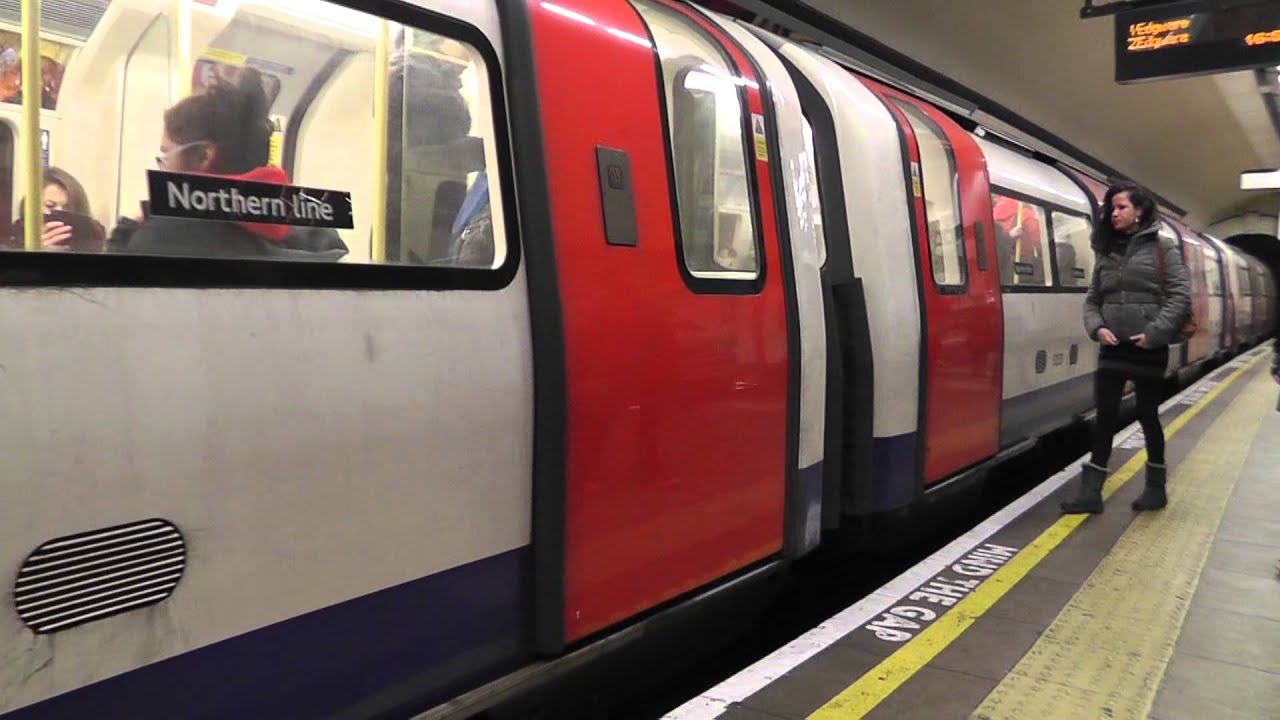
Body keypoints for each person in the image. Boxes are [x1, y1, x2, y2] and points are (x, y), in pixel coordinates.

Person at [109, 67, 346, 261]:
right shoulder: (317, 234)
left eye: (166, 156)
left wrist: (126, 232)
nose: (163, 168)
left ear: (203, 156)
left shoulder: (163, 237)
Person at [1062, 181, 1190, 515]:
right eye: (1111, 208)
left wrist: (1154, 333)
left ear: (1140, 211)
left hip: (1148, 347)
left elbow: (1179, 296)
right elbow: (1093, 299)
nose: (1113, 214)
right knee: (1104, 417)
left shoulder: (1163, 249)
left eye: (1121, 207)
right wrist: (1097, 327)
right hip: (1113, 347)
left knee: (1148, 416)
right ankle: (1091, 493)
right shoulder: (1107, 251)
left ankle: (1156, 488)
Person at [7, 166, 106, 251]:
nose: (59, 212)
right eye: (50, 206)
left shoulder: (93, 238)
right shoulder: (12, 241)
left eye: (68, 207)